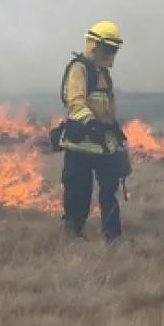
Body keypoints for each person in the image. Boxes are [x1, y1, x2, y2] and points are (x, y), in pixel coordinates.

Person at [56, 21, 129, 244]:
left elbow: (107, 105)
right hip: (81, 143)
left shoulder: (103, 73)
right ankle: (73, 231)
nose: (110, 53)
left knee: (110, 189)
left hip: (104, 144)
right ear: (94, 45)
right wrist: (91, 124)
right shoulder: (80, 68)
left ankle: (113, 236)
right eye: (107, 48)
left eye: (113, 49)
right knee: (78, 189)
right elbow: (75, 102)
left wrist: (114, 130)